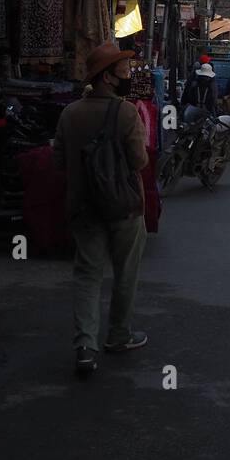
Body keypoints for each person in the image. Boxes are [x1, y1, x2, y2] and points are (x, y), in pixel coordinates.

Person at [53, 42, 150, 375]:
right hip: (124, 207)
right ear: (107, 78)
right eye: (122, 72)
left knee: (87, 276)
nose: (127, 76)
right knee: (125, 273)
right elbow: (139, 160)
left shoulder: (70, 113)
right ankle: (119, 336)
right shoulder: (125, 112)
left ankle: (84, 347)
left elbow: (59, 161)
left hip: (83, 207)